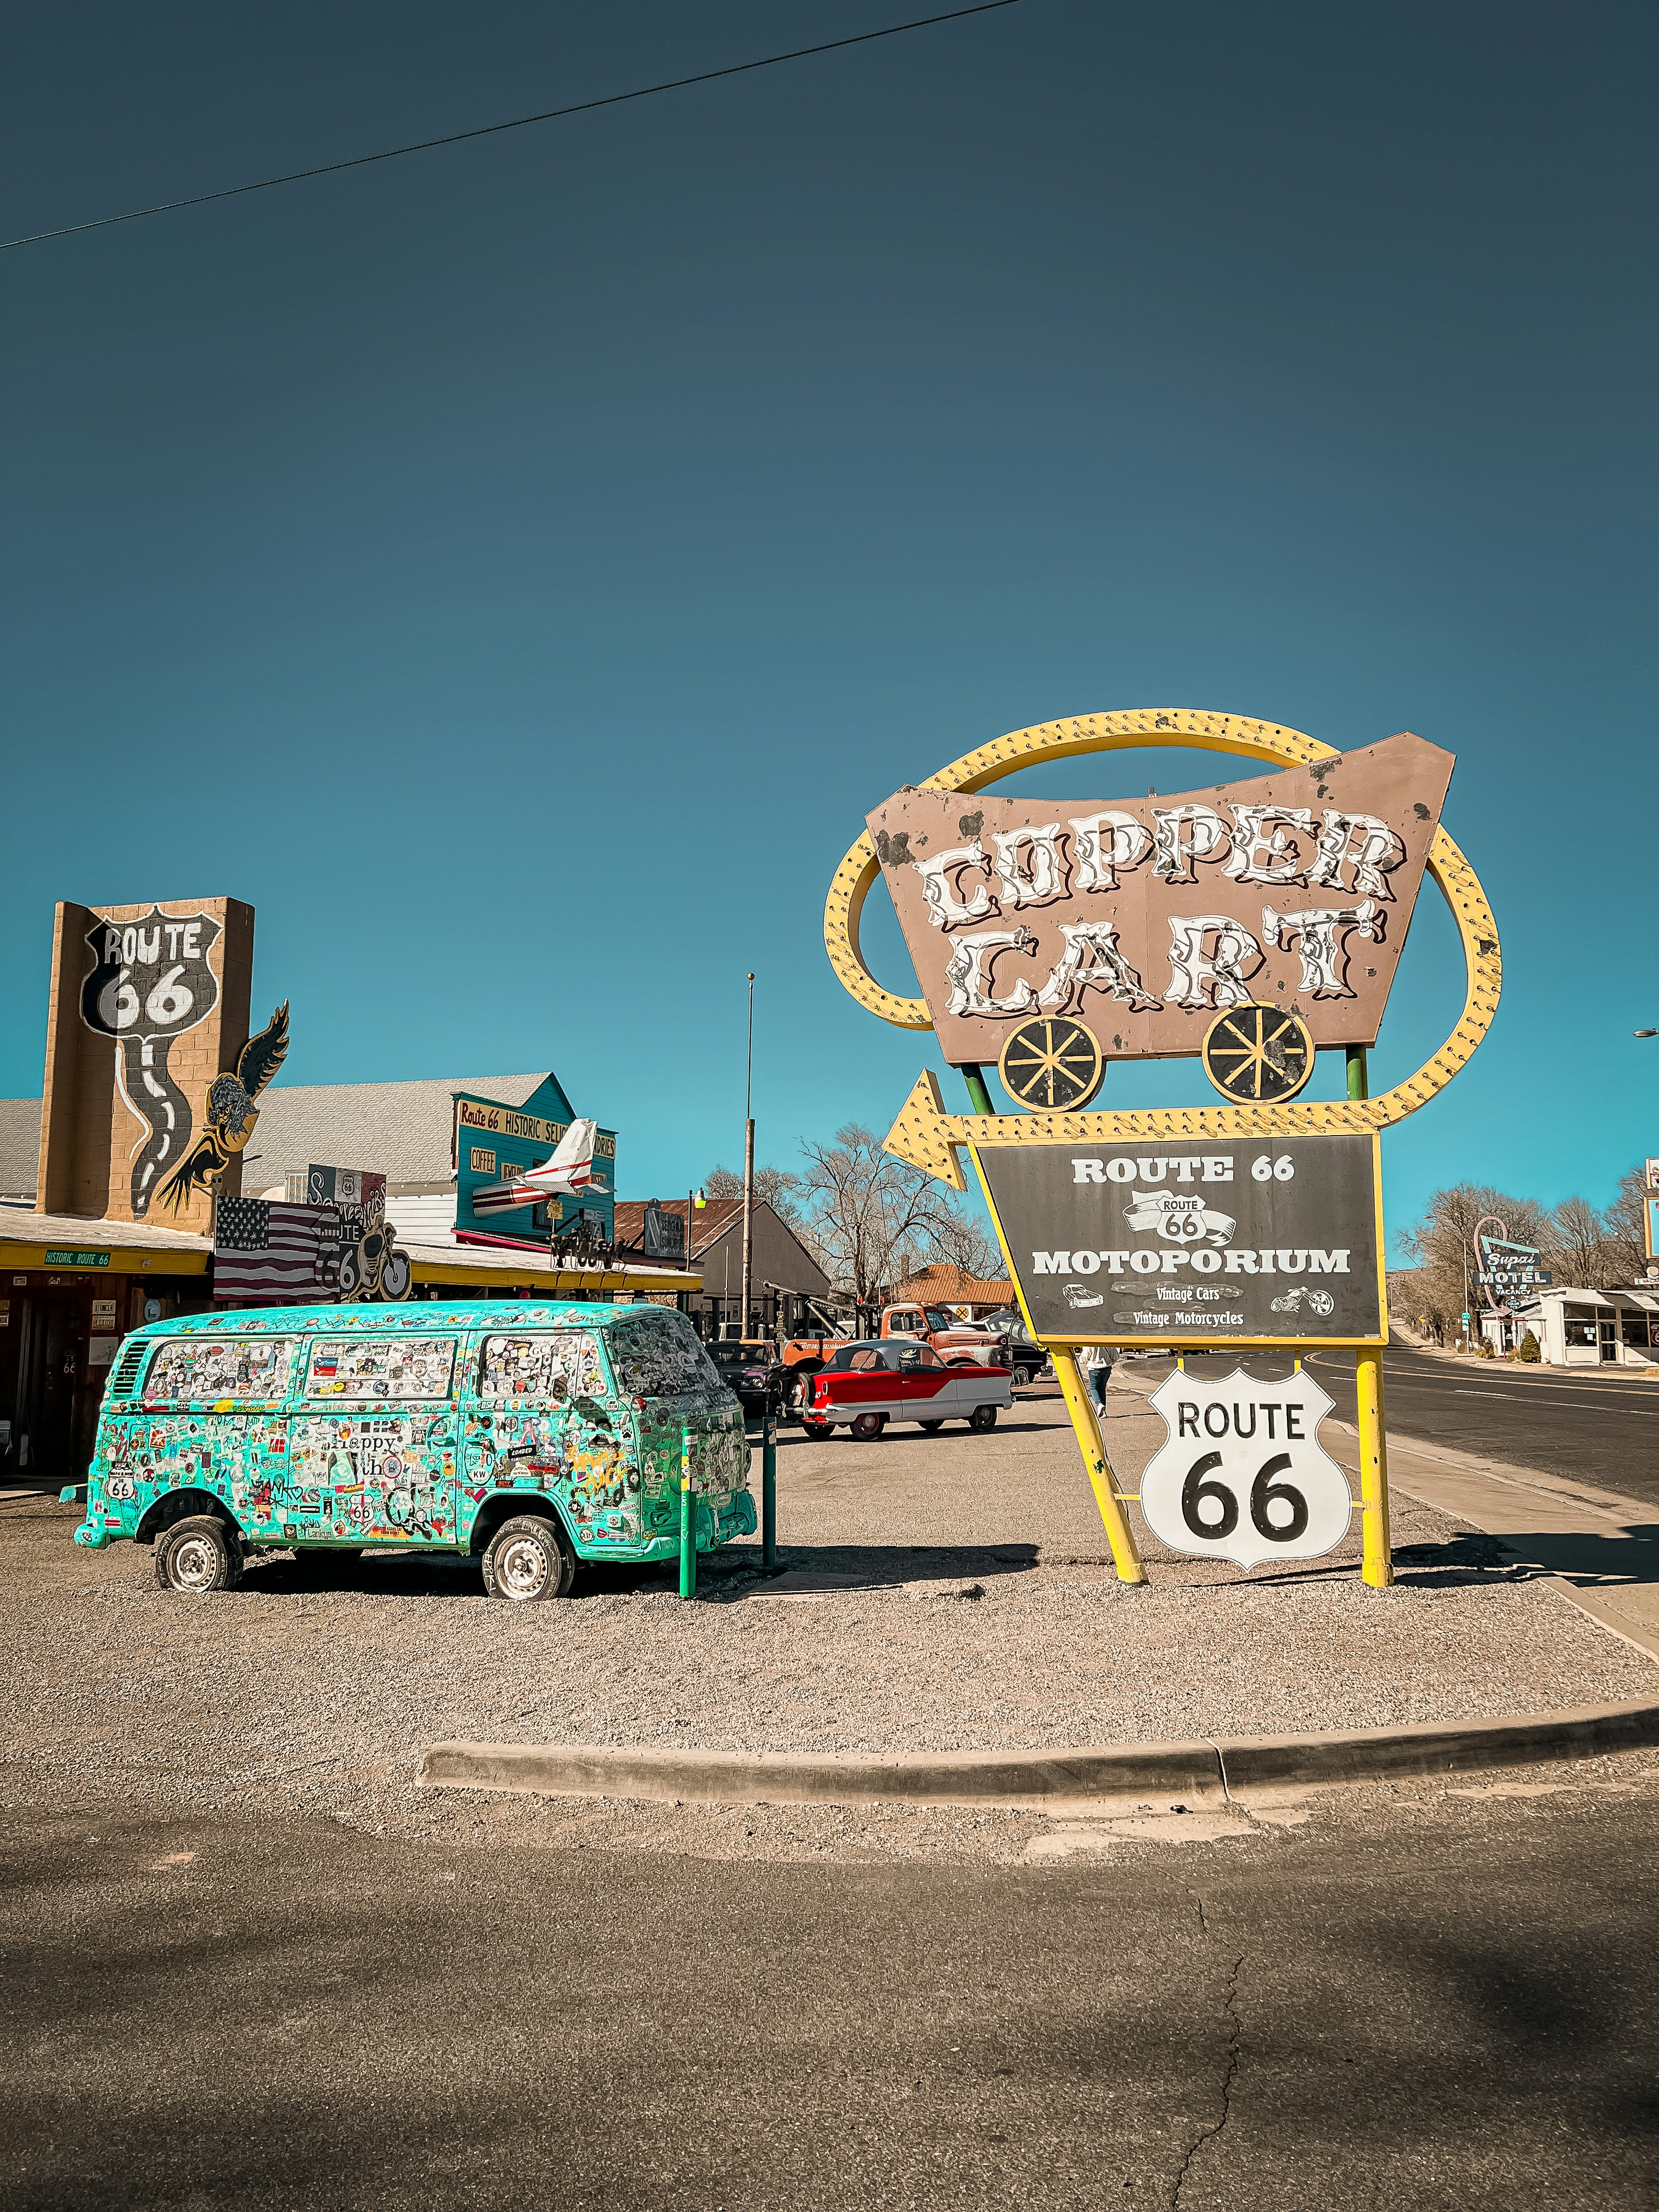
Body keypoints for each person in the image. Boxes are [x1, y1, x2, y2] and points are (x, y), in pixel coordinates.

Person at [1078, 1342, 1115, 1409]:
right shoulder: (1108, 1339)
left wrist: (1084, 1360)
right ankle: (1103, 1411)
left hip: (1094, 1368)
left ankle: (1099, 1404)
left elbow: (1085, 1356)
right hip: (1107, 1368)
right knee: (1102, 1388)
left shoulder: (1090, 1341)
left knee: (1093, 1388)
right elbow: (1115, 1355)